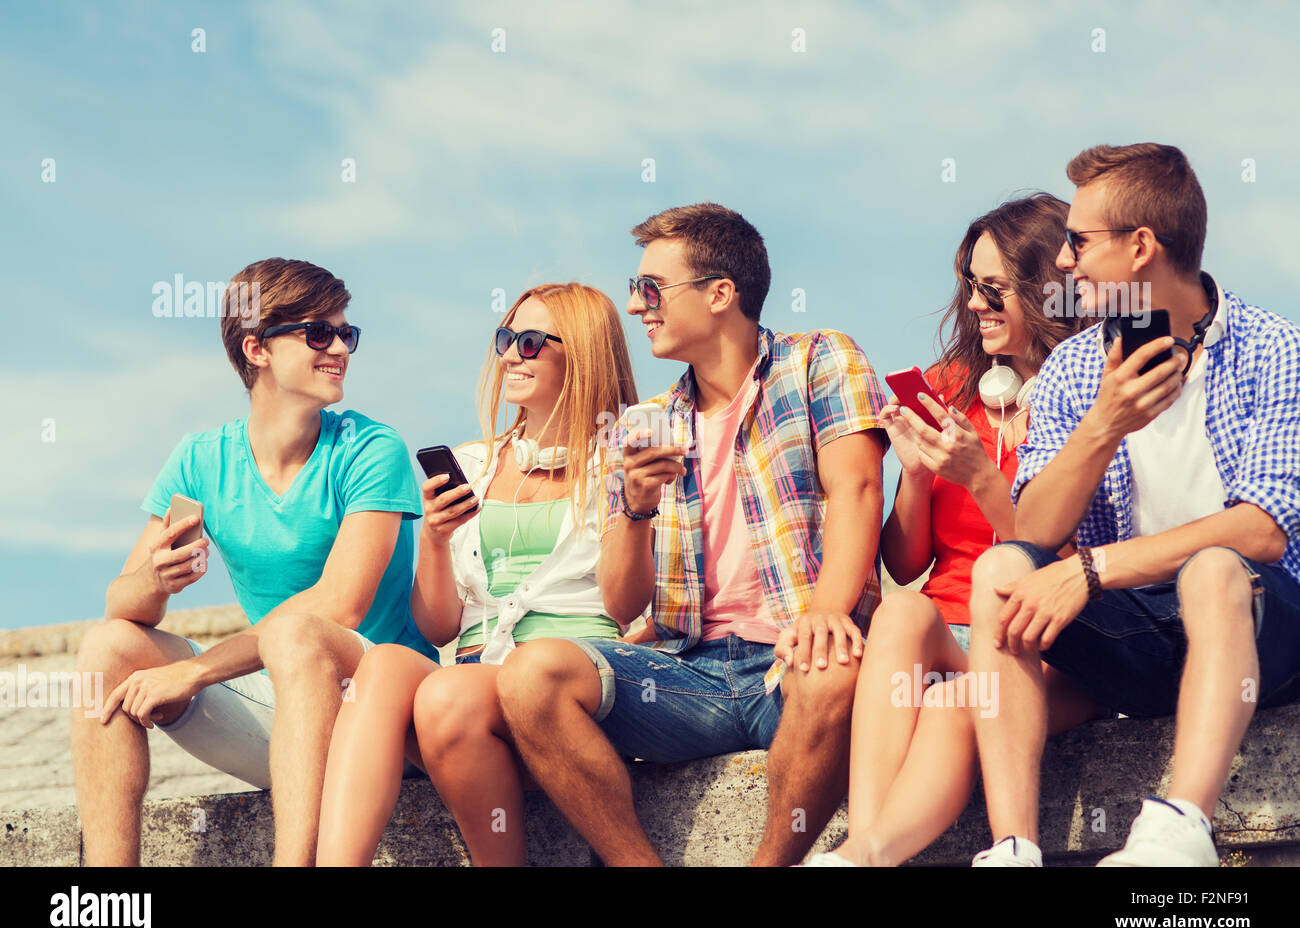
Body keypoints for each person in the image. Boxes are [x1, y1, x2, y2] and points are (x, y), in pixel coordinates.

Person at [495, 202, 888, 867]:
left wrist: (826, 612)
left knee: (832, 671)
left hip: (790, 658)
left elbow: (858, 490)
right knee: (528, 677)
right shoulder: (646, 423)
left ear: (720, 294)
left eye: (650, 290)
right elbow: (621, 607)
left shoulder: (821, 359)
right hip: (691, 672)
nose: (636, 306)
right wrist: (637, 508)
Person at [968, 143, 1300, 867]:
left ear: (1142, 245)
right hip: (1142, 638)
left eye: (1080, 242)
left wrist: (1091, 570)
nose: (1064, 261)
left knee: (1215, 566)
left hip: (1264, 628)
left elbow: (1264, 531)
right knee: (1001, 571)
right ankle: (1014, 849)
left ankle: (1181, 828)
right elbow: (1033, 531)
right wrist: (1104, 424)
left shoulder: (1273, 347)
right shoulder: (1075, 369)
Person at [71, 258, 426, 866]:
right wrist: (154, 581)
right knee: (107, 649)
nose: (341, 347)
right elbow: (121, 605)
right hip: (287, 711)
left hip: (383, 715)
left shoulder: (371, 449)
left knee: (298, 636)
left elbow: (342, 605)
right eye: (320, 333)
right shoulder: (202, 461)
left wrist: (198, 670)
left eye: (348, 333)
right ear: (257, 347)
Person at [806, 193, 1101, 866]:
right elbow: (905, 565)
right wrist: (912, 475)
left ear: (1046, 288)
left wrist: (981, 480)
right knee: (904, 611)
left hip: (1043, 637)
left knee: (959, 703)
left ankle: (862, 855)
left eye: (994, 290)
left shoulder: (1094, 398)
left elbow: (1074, 560)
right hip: (943, 632)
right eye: (970, 287)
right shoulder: (949, 388)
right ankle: (864, 847)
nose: (974, 305)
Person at [316, 282, 637, 866]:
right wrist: (435, 539)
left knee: (446, 693)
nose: (510, 354)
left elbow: (633, 604)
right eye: (505, 338)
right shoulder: (473, 465)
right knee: (387, 662)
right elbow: (437, 627)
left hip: (566, 685)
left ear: (585, 352)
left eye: (532, 341)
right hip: (467, 684)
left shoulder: (624, 463)